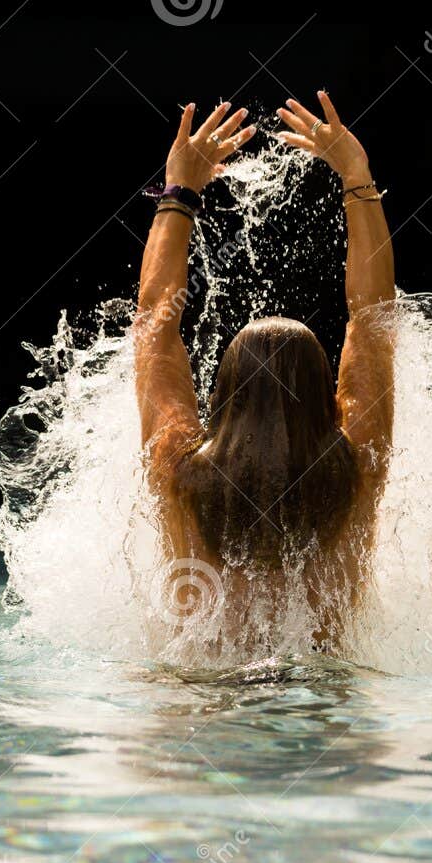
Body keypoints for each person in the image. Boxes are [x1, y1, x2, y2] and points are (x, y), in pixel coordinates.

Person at [134, 91, 395, 653]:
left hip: (201, 695)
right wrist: (357, 178)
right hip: (327, 699)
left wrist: (178, 193)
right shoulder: (359, 468)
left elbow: (156, 323)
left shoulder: (177, 472)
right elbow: (373, 320)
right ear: (328, 395)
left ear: (223, 397)